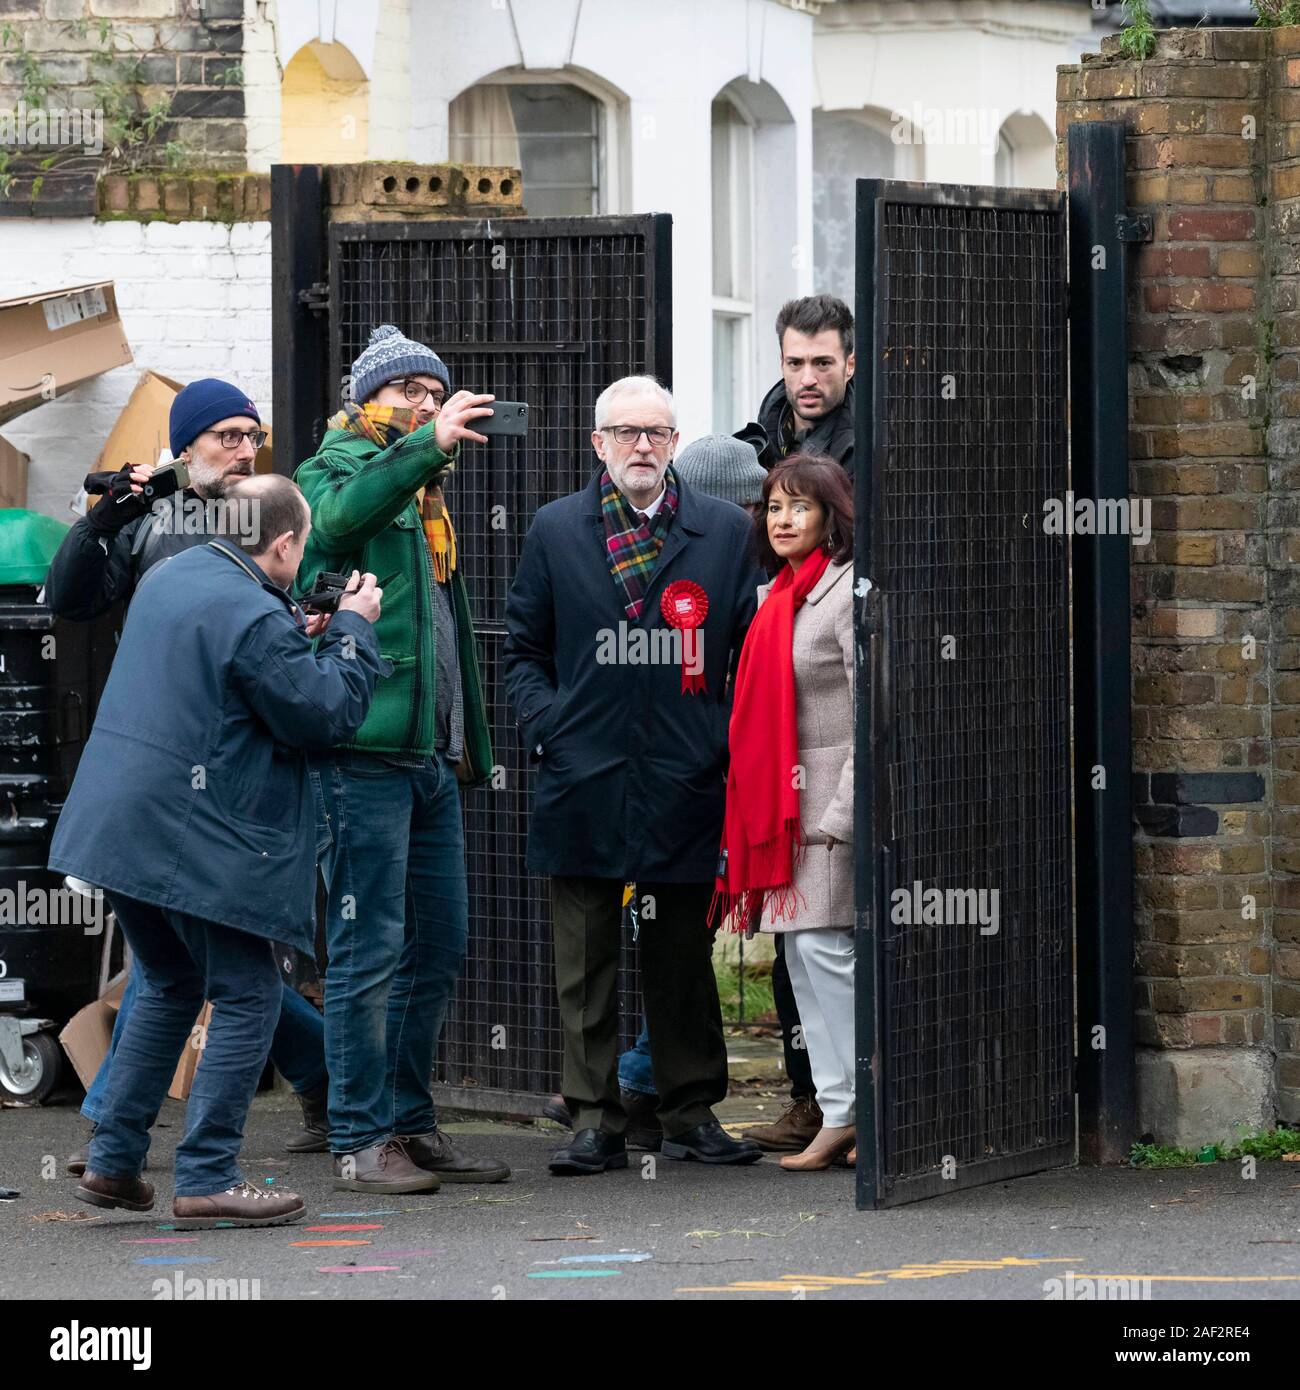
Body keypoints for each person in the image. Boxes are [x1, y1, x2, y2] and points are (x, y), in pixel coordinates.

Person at [48, 475, 387, 1226]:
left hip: (118, 824)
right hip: (195, 835)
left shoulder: (176, 573)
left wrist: (293, 637)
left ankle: (113, 1163)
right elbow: (322, 714)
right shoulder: (253, 612)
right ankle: (207, 1175)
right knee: (247, 992)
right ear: (285, 543)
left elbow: (223, 675)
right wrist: (354, 631)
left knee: (169, 980)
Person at [43, 379, 331, 1170]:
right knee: (217, 972)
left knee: (200, 970)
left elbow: (287, 630)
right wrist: (103, 519)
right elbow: (69, 600)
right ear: (186, 447)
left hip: (227, 779)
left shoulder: (276, 513)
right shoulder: (154, 522)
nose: (242, 450)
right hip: (168, 774)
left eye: (250, 435)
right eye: (225, 437)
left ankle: (117, 1132)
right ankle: (158, 1140)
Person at [503, 376, 766, 1176]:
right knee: (584, 960)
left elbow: (746, 654)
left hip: (684, 775)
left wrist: (717, 739)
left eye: (656, 432)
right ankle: (594, 1117)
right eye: (625, 433)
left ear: (676, 443)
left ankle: (689, 1110)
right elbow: (522, 648)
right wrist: (551, 728)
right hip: (583, 774)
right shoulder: (555, 529)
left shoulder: (722, 531)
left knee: (680, 954)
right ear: (598, 445)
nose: (642, 446)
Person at [295, 323, 510, 1193]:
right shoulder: (334, 468)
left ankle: (411, 1125)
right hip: (362, 752)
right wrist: (427, 444)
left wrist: (470, 747)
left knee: (439, 945)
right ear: (364, 399)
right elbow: (342, 521)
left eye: (435, 392)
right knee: (367, 946)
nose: (425, 404)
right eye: (408, 392)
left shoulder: (425, 495)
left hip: (428, 757)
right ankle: (357, 1139)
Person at [712, 453, 856, 1171]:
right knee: (805, 958)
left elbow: (873, 714)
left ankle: (850, 1110)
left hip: (827, 812)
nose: (783, 519)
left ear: (831, 514)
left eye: (799, 506)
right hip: (787, 810)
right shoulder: (780, 594)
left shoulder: (844, 592)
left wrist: (841, 817)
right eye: (773, 507)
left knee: (827, 956)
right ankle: (844, 1110)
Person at [745, 295, 855, 477]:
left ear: (849, 366)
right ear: (782, 363)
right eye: (795, 363)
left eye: (822, 363)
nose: (808, 379)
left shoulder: (877, 448)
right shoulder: (755, 445)